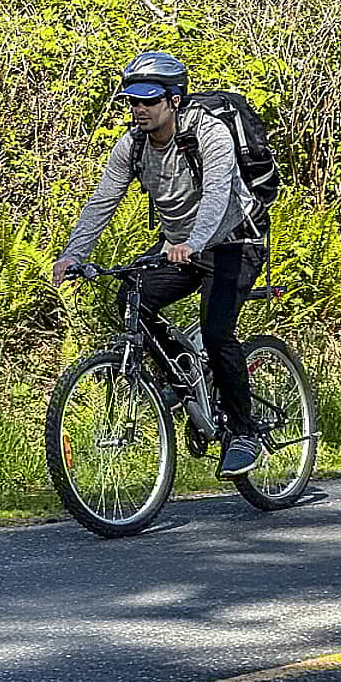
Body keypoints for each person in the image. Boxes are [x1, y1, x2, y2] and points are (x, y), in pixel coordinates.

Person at [52, 52, 269, 479]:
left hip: (234, 243)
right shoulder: (131, 145)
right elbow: (103, 201)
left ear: (173, 100)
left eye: (149, 101)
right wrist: (74, 252)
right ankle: (180, 376)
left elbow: (217, 197)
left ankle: (244, 434)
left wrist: (193, 242)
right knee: (131, 297)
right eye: (132, 101)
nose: (139, 110)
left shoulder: (210, 134)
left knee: (217, 330)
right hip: (180, 245)